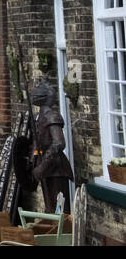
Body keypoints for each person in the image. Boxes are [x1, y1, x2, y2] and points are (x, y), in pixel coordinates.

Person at [30, 79, 73, 214]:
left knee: (59, 210)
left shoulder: (52, 116)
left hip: (56, 168)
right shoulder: (40, 116)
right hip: (46, 168)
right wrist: (35, 161)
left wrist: (43, 166)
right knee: (50, 208)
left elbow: (59, 143)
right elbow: (38, 143)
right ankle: (51, 232)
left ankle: (62, 234)